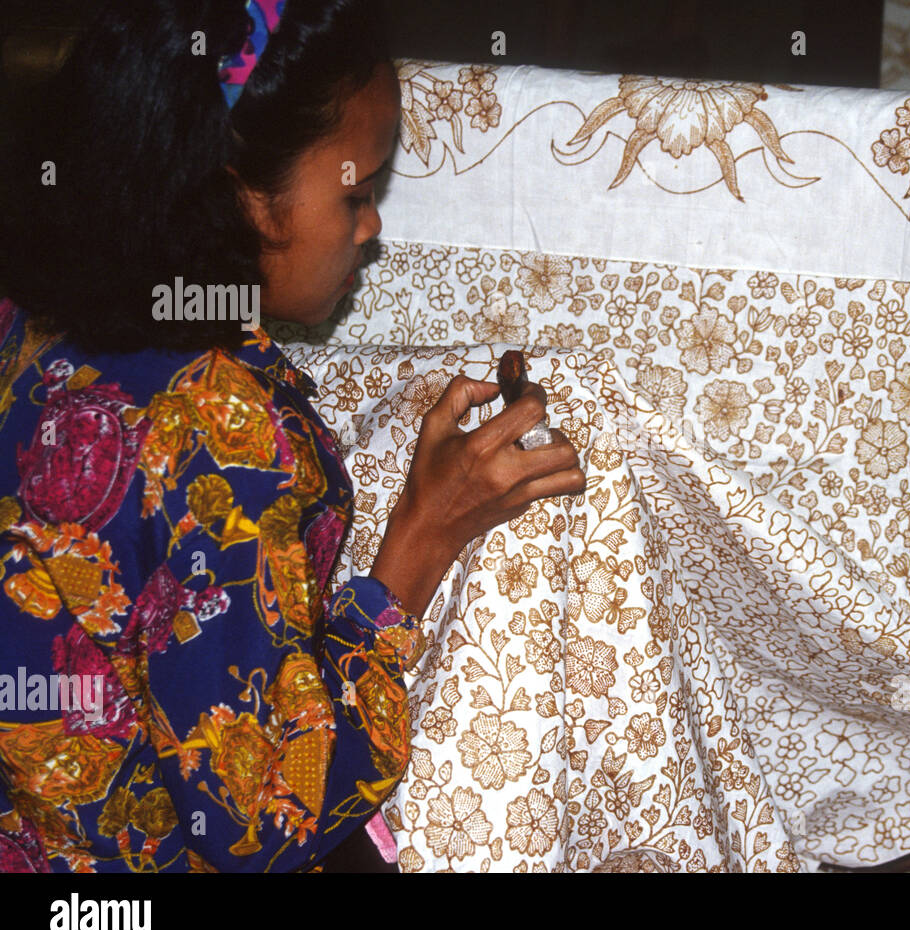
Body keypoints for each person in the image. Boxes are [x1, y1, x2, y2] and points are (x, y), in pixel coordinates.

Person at [0, 0, 583, 872]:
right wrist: (418, 547)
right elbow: (260, 826)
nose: (372, 227)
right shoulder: (221, 435)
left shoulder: (27, 328)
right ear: (238, 192)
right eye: (354, 193)